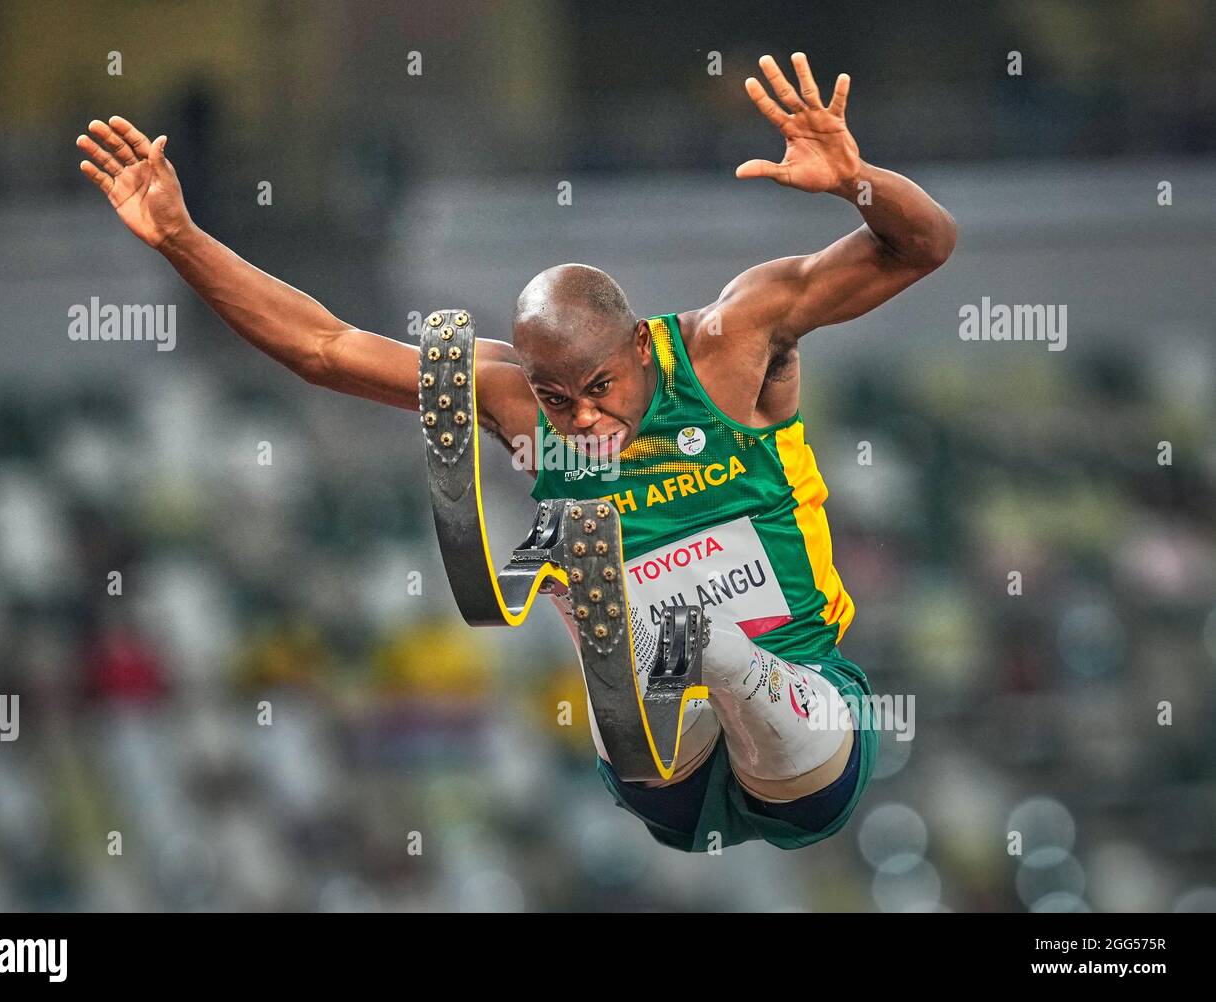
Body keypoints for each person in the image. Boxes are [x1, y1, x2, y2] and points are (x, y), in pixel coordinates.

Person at [77, 53, 956, 853]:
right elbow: (324, 347)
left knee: (730, 667)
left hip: (804, 717)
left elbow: (926, 246)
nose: (578, 421)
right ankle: (654, 652)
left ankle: (690, 643)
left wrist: (857, 183)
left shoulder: (735, 339)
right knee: (663, 699)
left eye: (601, 389)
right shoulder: (504, 393)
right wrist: (183, 240)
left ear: (643, 348)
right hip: (665, 771)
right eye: (554, 398)